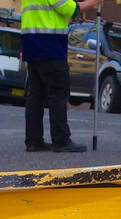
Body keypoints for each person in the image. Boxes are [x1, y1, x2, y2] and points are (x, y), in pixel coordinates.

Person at [21, 0, 99, 152]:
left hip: (32, 46)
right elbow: (70, 9)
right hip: (50, 47)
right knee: (58, 94)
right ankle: (61, 140)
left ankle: (33, 140)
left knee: (36, 96)